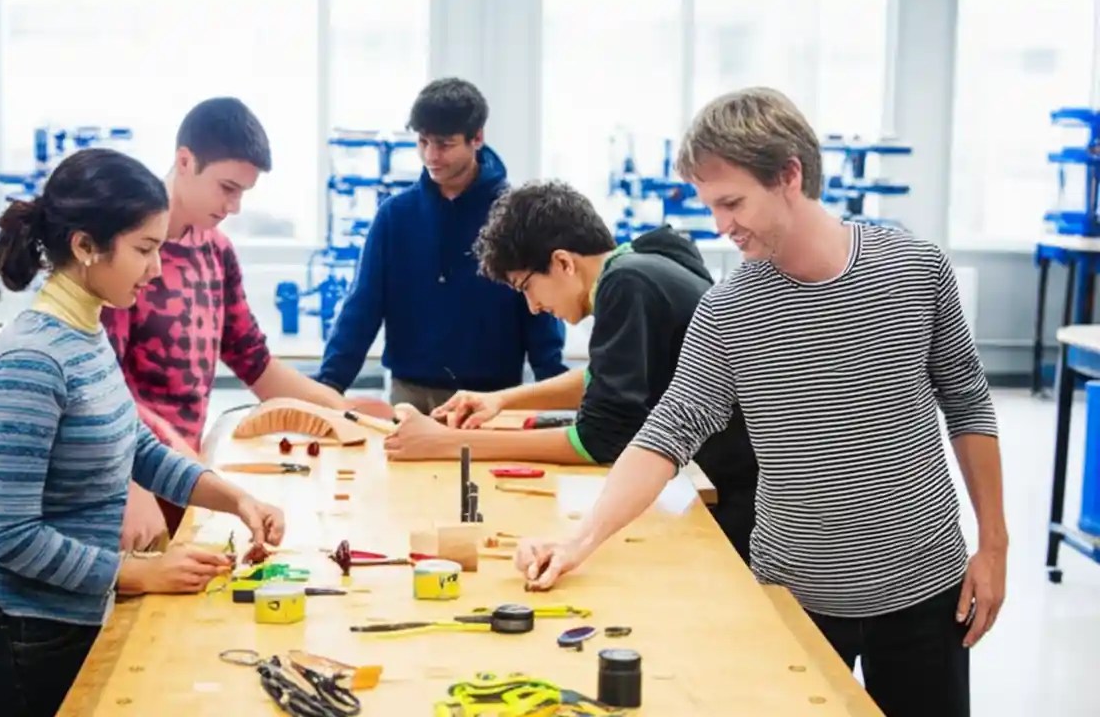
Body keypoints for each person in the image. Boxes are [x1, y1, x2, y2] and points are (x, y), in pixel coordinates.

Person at [513, 88, 1007, 717]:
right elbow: (667, 434)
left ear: (789, 176)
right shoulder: (729, 310)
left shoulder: (916, 268)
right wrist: (579, 542)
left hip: (923, 590)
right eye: (711, 205)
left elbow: (969, 404)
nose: (721, 224)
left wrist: (994, 546)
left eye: (732, 202)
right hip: (790, 596)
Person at [0, 148, 286, 717]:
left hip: (61, 614)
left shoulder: (86, 331)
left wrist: (235, 499)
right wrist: (138, 573)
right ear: (84, 246)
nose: (156, 269)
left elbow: (138, 449)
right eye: (145, 250)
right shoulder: (32, 359)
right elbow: (11, 537)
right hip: (12, 628)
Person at [386, 180, 759, 562]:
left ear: (563, 262)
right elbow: (605, 378)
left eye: (527, 287)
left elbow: (598, 440)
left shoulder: (625, 284)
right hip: (738, 482)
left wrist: (447, 444)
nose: (532, 306)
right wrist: (501, 400)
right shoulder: (645, 262)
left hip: (748, 502)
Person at [102, 97, 387, 549]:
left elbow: (257, 365)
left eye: (243, 193)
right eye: (226, 187)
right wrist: (176, 459)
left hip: (185, 478)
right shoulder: (124, 255)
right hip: (126, 483)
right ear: (184, 160)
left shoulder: (216, 252)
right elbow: (107, 393)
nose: (233, 206)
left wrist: (345, 413)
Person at [315, 77, 568, 413]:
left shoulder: (517, 215)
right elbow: (362, 308)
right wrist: (327, 388)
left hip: (491, 400)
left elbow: (541, 313)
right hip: (411, 395)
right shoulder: (395, 216)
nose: (431, 156)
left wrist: (557, 392)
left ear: (477, 138)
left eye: (445, 144)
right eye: (423, 142)